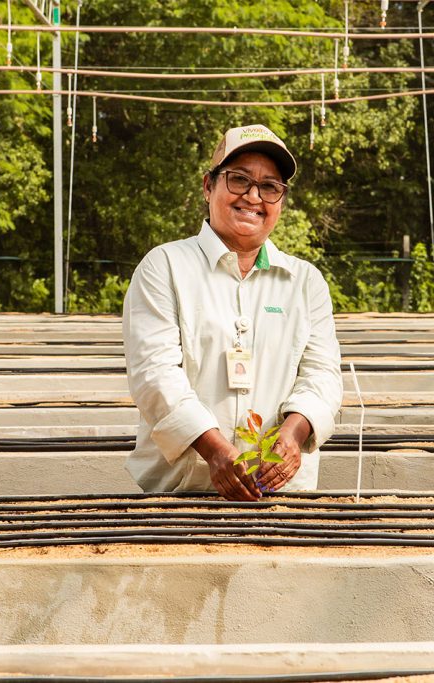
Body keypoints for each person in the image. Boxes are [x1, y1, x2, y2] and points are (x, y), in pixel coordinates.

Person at [123, 124, 343, 501]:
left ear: (281, 200)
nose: (253, 197)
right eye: (239, 180)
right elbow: (155, 374)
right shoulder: (165, 267)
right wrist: (214, 451)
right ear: (208, 186)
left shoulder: (305, 281)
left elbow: (322, 376)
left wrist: (294, 433)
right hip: (181, 493)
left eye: (270, 187)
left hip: (280, 495)